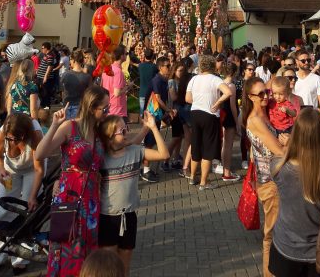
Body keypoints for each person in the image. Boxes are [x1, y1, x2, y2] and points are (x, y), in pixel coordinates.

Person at [35, 85, 108, 276]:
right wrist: (54, 125)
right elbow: (40, 153)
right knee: (66, 245)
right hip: (69, 198)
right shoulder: (71, 127)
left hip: (91, 200)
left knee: (88, 249)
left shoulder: (100, 132)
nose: (107, 112)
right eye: (104, 108)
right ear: (92, 107)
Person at [98, 112, 169, 276]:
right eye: (122, 131)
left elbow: (164, 154)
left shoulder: (135, 152)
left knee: (124, 266)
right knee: (108, 266)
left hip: (128, 216)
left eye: (126, 129)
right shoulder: (101, 158)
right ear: (109, 136)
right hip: (107, 217)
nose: (126, 133)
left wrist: (153, 128)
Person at [270, 108, 320, 276]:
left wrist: (290, 143)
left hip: (285, 247)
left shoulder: (278, 167)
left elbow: (287, 156)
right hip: (318, 252)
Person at [243, 76, 288, 277]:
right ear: (249, 97)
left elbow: (277, 82)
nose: (265, 96)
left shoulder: (266, 113)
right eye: (259, 94)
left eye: (266, 92)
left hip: (275, 179)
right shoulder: (254, 120)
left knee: (277, 232)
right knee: (270, 235)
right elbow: (278, 150)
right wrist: (288, 142)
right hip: (269, 183)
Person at [0, 112, 44, 272]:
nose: (12, 142)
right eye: (9, 138)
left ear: (25, 135)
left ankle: (21, 258)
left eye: (16, 139)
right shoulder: (2, 134)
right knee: (2, 209)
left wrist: (33, 196)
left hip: (32, 170)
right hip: (11, 170)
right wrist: (0, 170)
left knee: (27, 211)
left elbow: (39, 169)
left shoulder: (35, 135)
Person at [185, 55, 232, 190]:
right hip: (210, 115)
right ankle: (204, 182)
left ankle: (193, 176)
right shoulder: (215, 79)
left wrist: (199, 101)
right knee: (208, 148)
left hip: (195, 114)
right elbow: (228, 92)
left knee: (196, 145)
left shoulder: (194, 79)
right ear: (212, 66)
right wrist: (217, 103)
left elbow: (187, 98)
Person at [219, 62, 241, 182]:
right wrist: (237, 121)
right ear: (234, 72)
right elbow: (233, 106)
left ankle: (225, 169)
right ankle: (227, 172)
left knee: (224, 144)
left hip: (222, 113)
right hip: (229, 116)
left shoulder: (221, 83)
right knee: (228, 145)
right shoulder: (231, 86)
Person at [293, 50, 320, 120]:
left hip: (312, 119)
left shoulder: (317, 79)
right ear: (296, 61)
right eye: (303, 61)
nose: (306, 62)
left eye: (308, 60)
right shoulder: (292, 78)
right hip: (295, 119)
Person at [101, 45, 132, 122]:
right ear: (121, 56)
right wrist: (128, 86)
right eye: (126, 53)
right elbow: (117, 93)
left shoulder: (107, 69)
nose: (127, 55)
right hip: (117, 110)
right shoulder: (118, 72)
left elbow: (102, 86)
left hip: (108, 107)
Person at [61, 50, 91, 119]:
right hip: (80, 107)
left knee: (67, 128)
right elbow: (89, 94)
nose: (69, 61)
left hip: (66, 106)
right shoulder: (87, 77)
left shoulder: (65, 74)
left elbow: (62, 92)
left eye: (70, 59)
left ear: (74, 60)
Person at [37, 42, 60, 107]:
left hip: (45, 78)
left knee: (45, 94)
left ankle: (46, 107)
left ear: (46, 48)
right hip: (41, 77)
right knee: (42, 93)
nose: (41, 49)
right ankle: (43, 106)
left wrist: (45, 77)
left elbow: (50, 66)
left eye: (42, 48)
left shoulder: (50, 55)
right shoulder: (46, 55)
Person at [137, 49, 158, 116]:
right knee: (154, 114)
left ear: (144, 56)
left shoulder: (140, 66)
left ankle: (143, 125)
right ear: (152, 56)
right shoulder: (154, 67)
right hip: (153, 93)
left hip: (142, 93)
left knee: (142, 114)